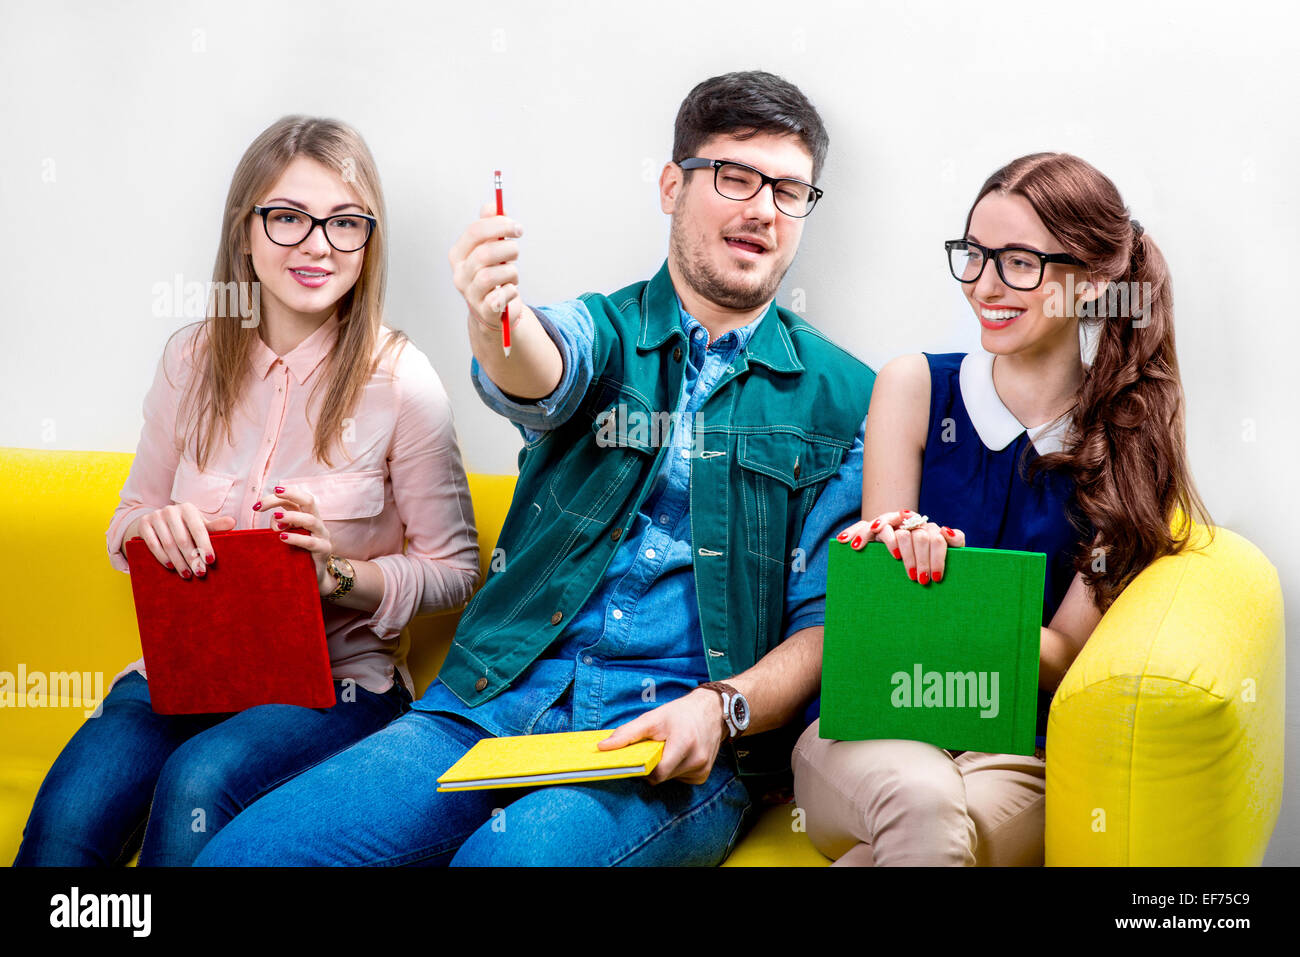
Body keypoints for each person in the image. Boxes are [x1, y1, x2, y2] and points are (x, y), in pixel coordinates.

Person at [194, 70, 874, 867]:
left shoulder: (849, 398)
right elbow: (541, 370)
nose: (762, 206)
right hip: (486, 703)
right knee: (244, 857)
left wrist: (719, 710)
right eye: (735, 176)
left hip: (666, 746)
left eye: (789, 190)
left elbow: (825, 624)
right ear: (672, 184)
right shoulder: (604, 328)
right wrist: (493, 322)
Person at [13, 116, 481, 867]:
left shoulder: (403, 383)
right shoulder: (188, 361)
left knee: (198, 782)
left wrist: (340, 575)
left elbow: (457, 570)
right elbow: (126, 521)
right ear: (246, 231)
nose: (318, 245)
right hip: (184, 675)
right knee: (68, 821)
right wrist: (150, 530)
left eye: (344, 223)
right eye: (290, 217)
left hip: (336, 689)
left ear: (369, 240)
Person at [792, 152, 1213, 866]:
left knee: (921, 839)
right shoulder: (914, 387)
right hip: (872, 722)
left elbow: (1066, 657)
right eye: (974, 255)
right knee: (922, 805)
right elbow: (877, 614)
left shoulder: (1129, 443)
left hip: (1016, 746)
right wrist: (898, 556)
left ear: (1093, 281)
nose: (986, 284)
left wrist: (952, 587)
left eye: (1019, 261)